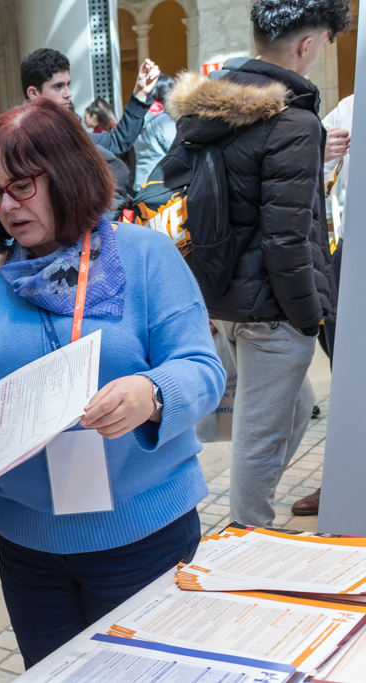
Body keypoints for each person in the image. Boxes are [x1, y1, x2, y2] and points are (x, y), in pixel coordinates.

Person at [0, 97, 225, 667]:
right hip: (30, 550)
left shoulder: (144, 254)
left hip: (145, 535)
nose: (5, 206)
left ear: (69, 174)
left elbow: (202, 366)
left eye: (21, 186)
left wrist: (151, 394)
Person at [168, 0, 348, 528]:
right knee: (258, 440)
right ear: (308, 45)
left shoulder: (211, 109)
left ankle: (251, 524)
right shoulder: (293, 122)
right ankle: (249, 542)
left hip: (224, 298)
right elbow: (288, 238)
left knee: (291, 412)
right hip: (271, 309)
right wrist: (308, 317)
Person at [292, 95, 353, 518]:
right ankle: (344, 479)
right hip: (350, 254)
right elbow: (309, 179)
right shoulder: (350, 108)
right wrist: (320, 152)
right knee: (348, 379)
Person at [20, 47, 161, 156]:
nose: (68, 93)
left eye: (68, 85)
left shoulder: (68, 133)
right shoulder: (18, 141)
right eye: (58, 87)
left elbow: (116, 143)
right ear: (34, 93)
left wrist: (140, 93)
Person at [132, 74, 178, 191]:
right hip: (159, 184)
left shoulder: (140, 116)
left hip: (141, 183)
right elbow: (175, 149)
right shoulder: (162, 119)